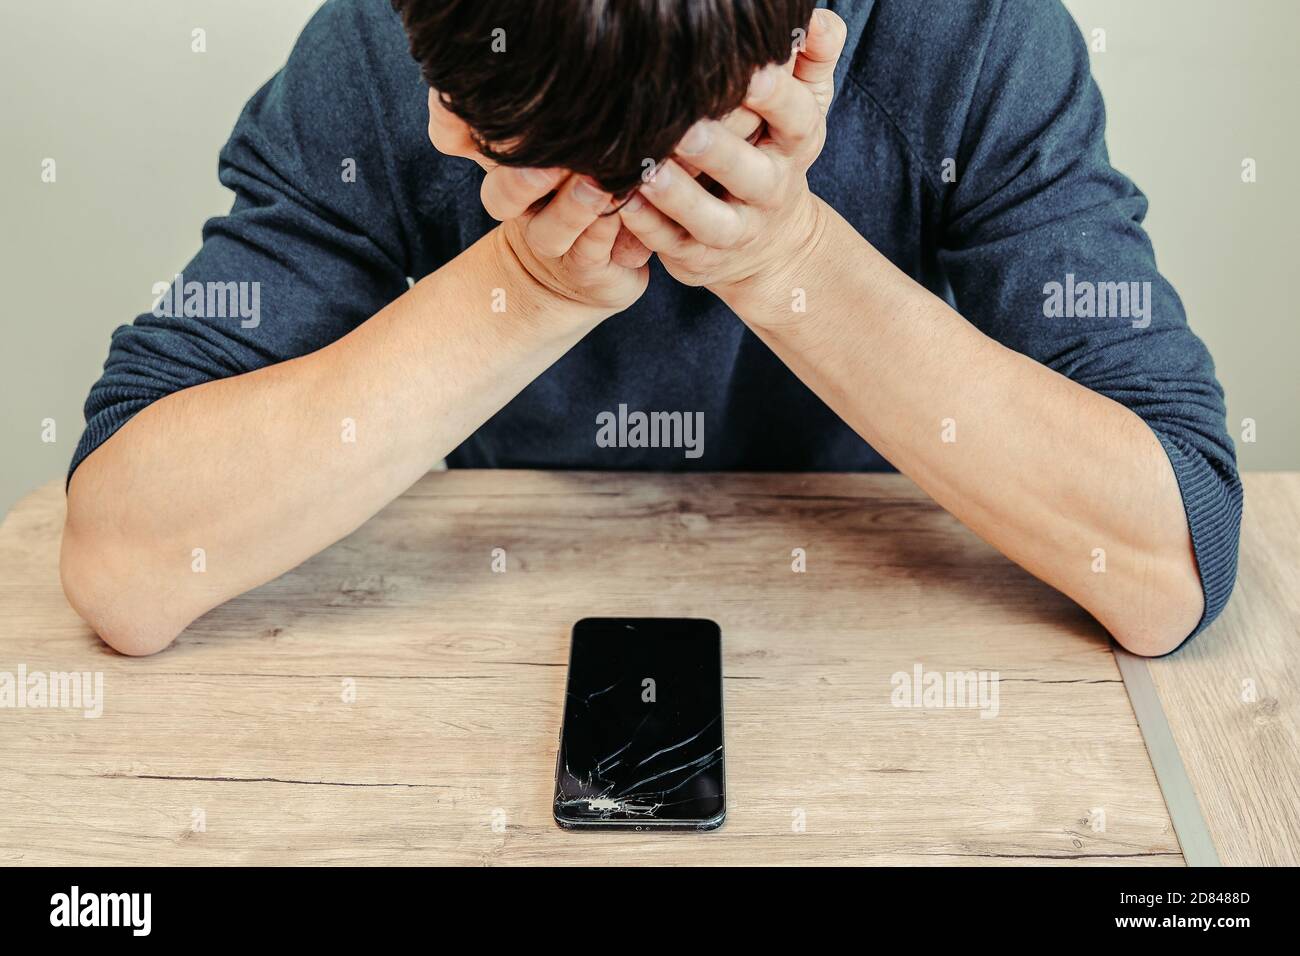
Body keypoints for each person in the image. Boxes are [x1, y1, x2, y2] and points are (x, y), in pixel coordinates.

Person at [60, 0, 1242, 658]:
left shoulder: (974, 36)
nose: (630, 214)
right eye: (567, 170)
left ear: (802, 55)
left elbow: (1168, 560)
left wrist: (788, 261)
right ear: (450, 111)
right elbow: (125, 559)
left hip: (870, 660)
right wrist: (529, 286)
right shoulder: (379, 49)